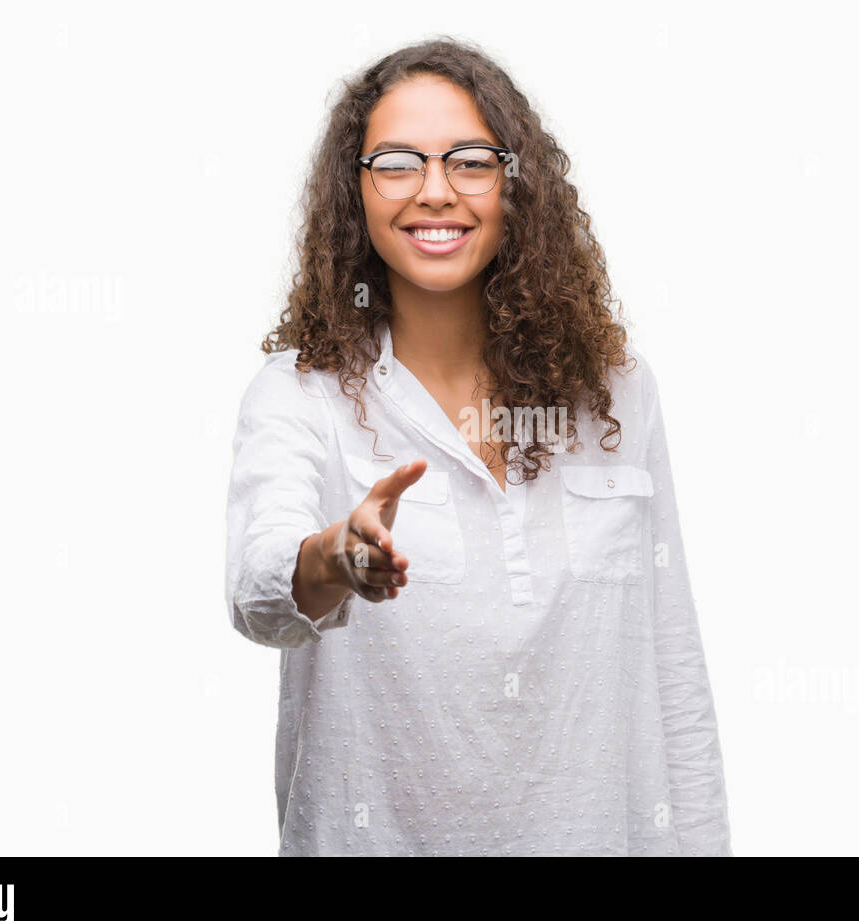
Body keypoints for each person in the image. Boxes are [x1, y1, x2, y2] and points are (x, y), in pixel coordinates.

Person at [224, 36, 732, 856]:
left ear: (514, 184)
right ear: (354, 193)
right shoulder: (301, 394)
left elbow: (672, 665)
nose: (434, 192)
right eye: (395, 162)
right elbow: (259, 589)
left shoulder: (618, 392)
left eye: (469, 160)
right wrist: (332, 559)